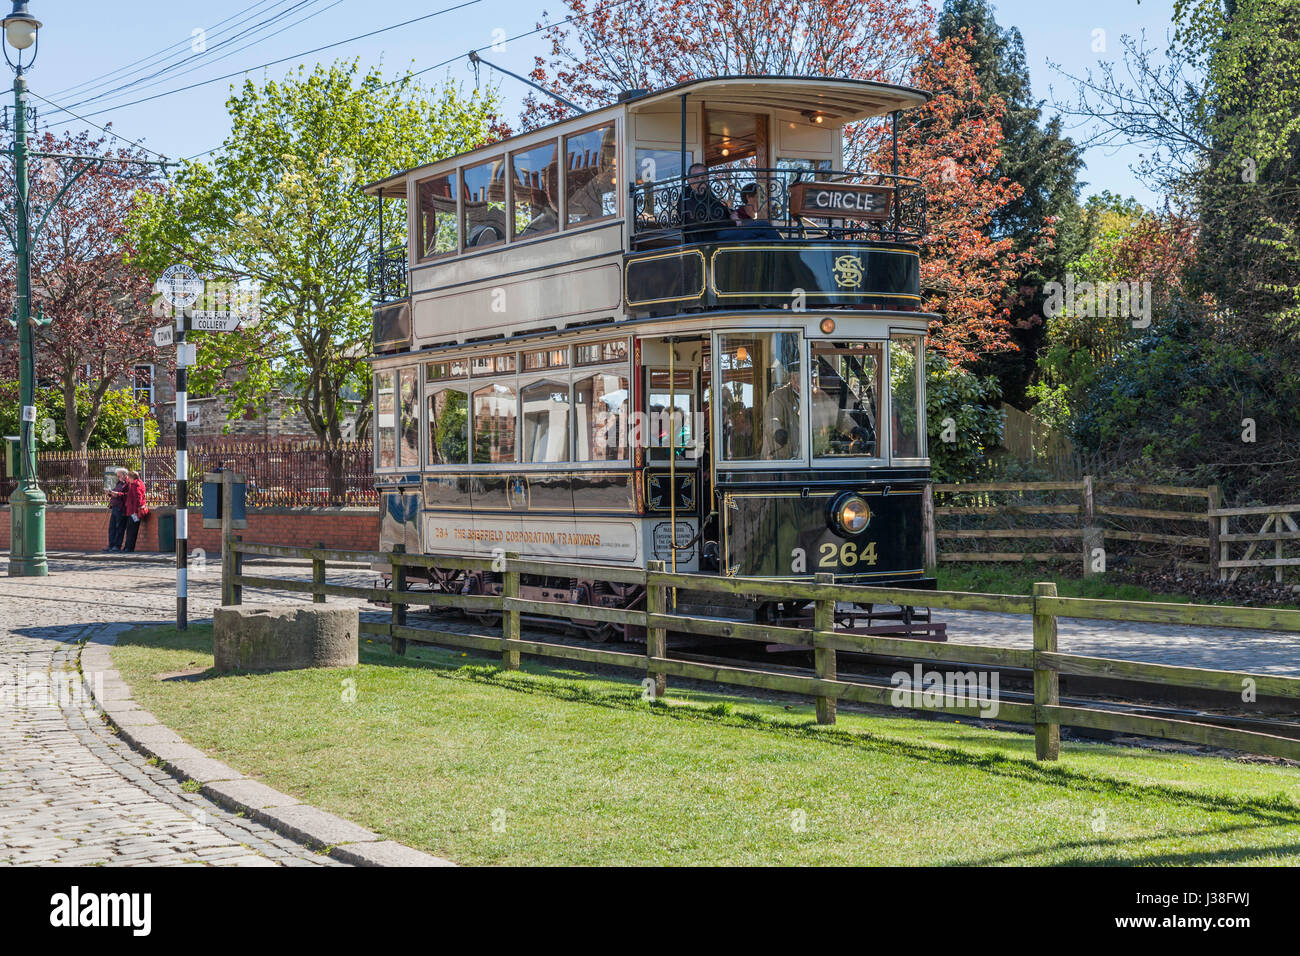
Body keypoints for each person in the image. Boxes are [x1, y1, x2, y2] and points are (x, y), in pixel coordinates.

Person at [122, 469, 147, 553]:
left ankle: (129, 548)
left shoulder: (136, 485)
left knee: (132, 530)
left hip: (134, 511)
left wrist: (136, 511)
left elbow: (138, 499)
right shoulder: (136, 484)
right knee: (130, 530)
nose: (127, 479)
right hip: (132, 511)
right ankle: (127, 547)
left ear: (132, 477)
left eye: (128, 477)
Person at [105, 467, 129, 552]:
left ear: (124, 475)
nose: (118, 477)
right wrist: (110, 494)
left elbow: (127, 495)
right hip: (114, 507)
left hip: (121, 508)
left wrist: (117, 494)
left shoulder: (128, 484)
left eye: (119, 476)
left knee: (119, 528)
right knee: (112, 528)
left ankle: (117, 546)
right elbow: (115, 493)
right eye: (117, 476)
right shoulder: (119, 483)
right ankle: (111, 545)